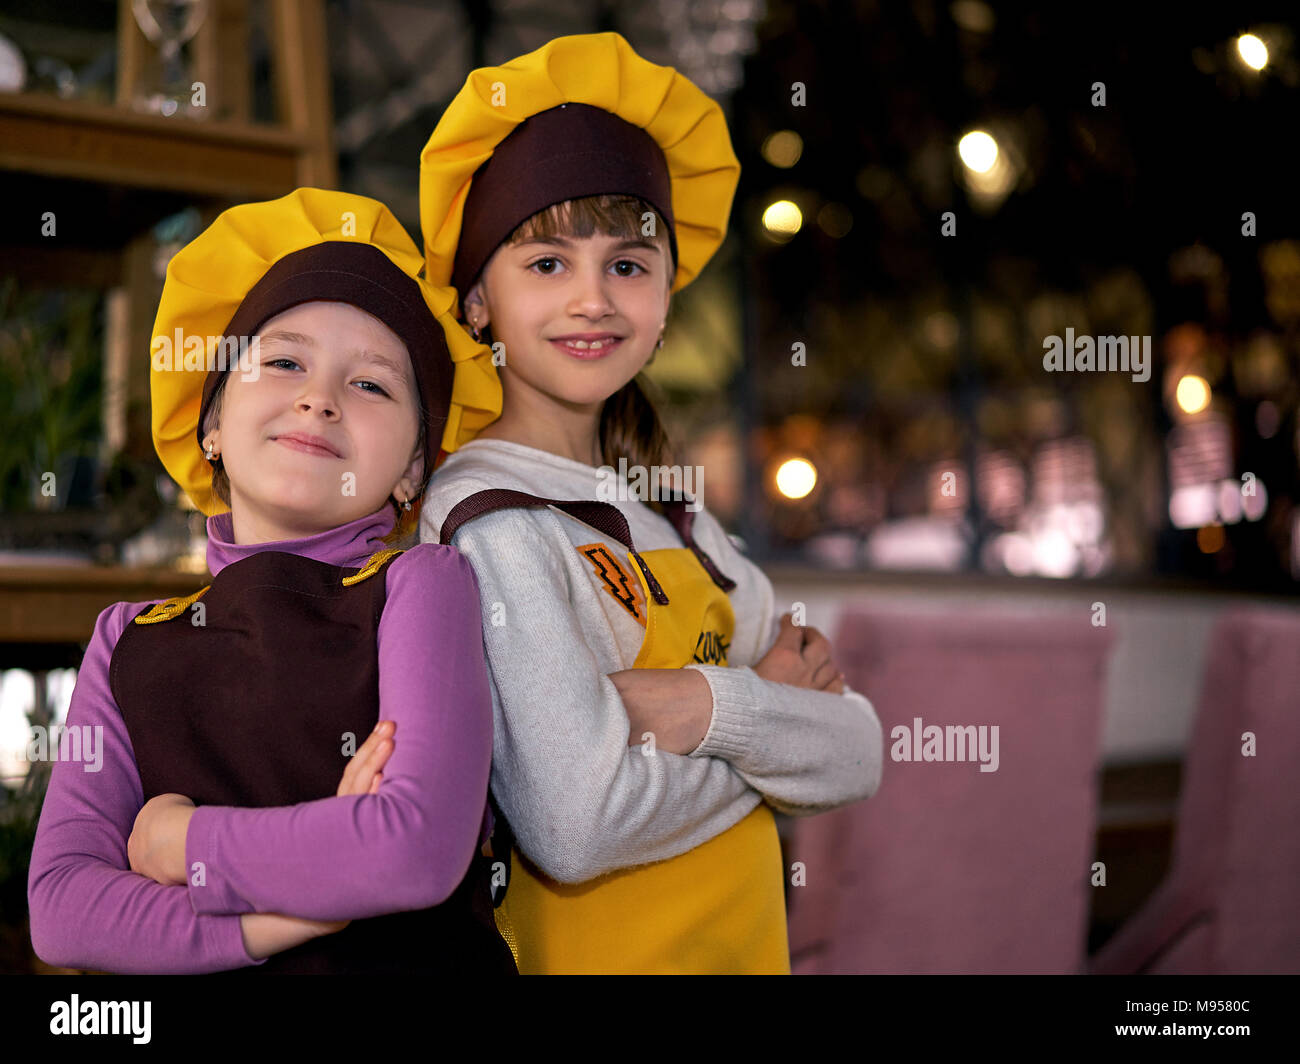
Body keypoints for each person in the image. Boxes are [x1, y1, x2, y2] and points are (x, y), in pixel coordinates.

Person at [415, 32, 884, 974]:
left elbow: (859, 750)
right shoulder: (486, 522)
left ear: (669, 293)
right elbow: (576, 823)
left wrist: (691, 706)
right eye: (546, 264)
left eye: (628, 264)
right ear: (476, 302)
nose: (593, 300)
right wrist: (765, 724)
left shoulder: (679, 520)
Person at [26, 187, 513, 974]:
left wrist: (177, 841)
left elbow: (415, 850)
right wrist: (302, 909)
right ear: (211, 422)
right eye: (283, 360)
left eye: (373, 385)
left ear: (413, 470)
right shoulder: (126, 639)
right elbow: (61, 910)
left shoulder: (422, 585)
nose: (319, 399)